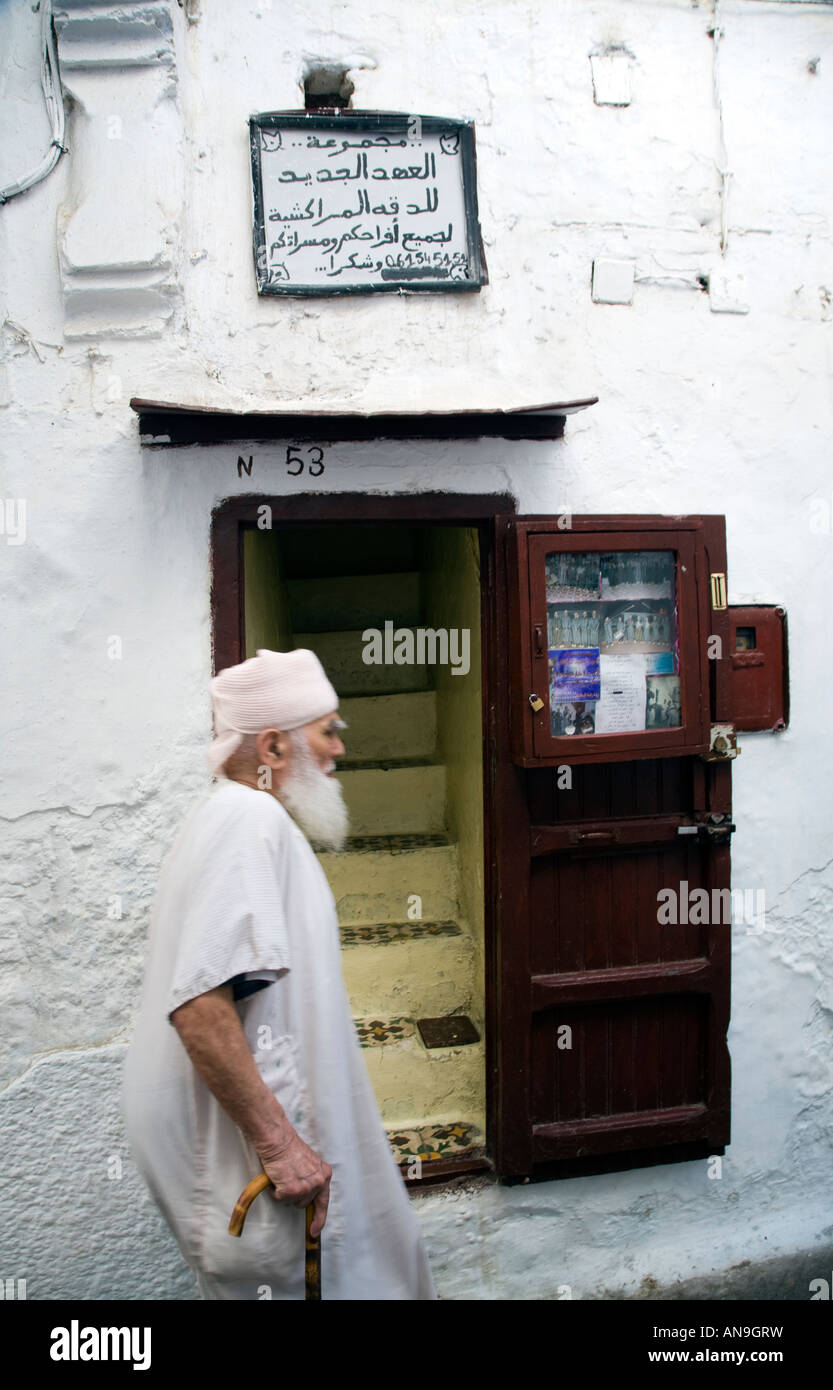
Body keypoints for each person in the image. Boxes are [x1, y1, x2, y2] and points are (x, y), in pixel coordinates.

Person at [121, 648, 436, 1300]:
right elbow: (200, 1009)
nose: (338, 750)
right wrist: (282, 1147)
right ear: (271, 746)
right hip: (252, 1159)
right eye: (326, 730)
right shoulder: (247, 820)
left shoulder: (237, 817)